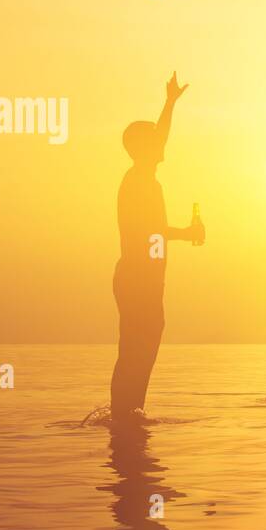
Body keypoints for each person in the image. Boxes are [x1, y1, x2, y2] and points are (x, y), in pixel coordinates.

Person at [109, 73, 204, 422]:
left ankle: (130, 414)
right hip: (137, 279)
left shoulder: (144, 176)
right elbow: (149, 232)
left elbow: (159, 136)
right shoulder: (138, 184)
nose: (164, 145)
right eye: (156, 142)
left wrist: (170, 102)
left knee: (142, 347)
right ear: (144, 148)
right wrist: (184, 233)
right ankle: (125, 415)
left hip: (144, 278)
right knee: (137, 349)